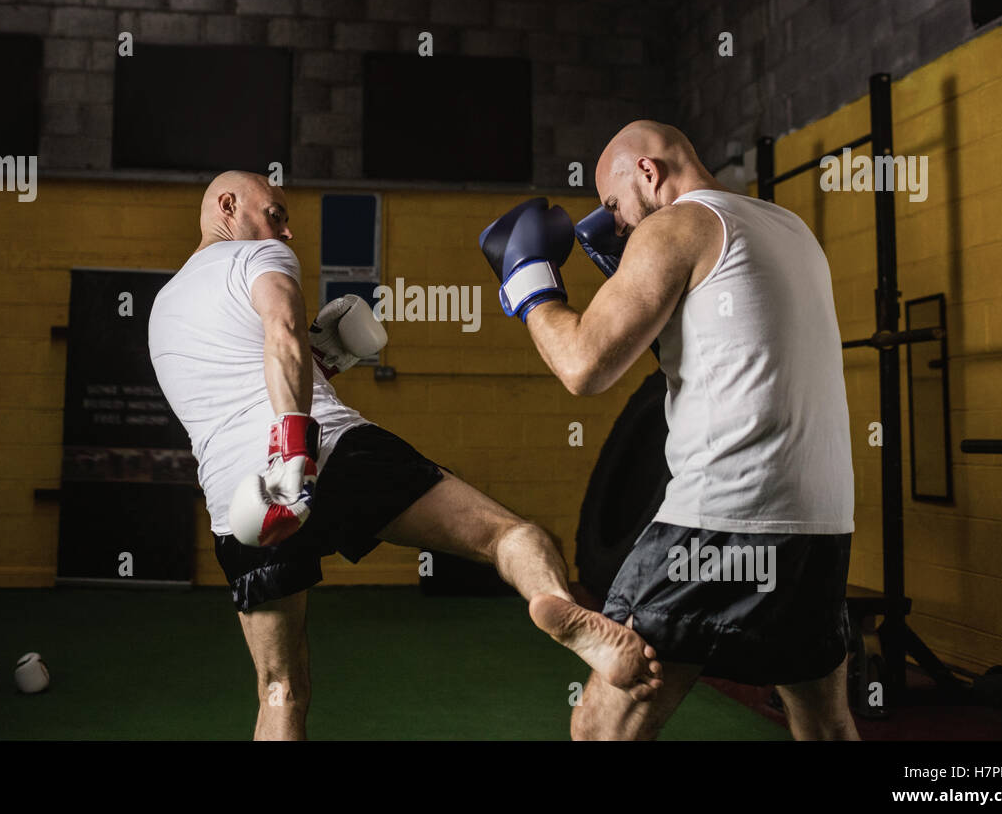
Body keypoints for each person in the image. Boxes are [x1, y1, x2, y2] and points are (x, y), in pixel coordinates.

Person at [148, 170, 660, 740]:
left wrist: (324, 360)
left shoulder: (163, 309)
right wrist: (293, 450)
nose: (286, 231)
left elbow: (234, 382)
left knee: (280, 691)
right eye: (276, 213)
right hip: (328, 452)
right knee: (507, 535)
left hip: (240, 505)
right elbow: (282, 333)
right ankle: (558, 607)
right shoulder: (257, 257)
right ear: (228, 205)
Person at [480, 121, 859, 741]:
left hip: (721, 519)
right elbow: (732, 355)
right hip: (818, 525)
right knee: (824, 725)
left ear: (648, 173)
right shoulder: (789, 227)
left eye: (612, 204)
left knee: (602, 731)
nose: (616, 223)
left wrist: (529, 279)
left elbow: (583, 367)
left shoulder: (673, 226)